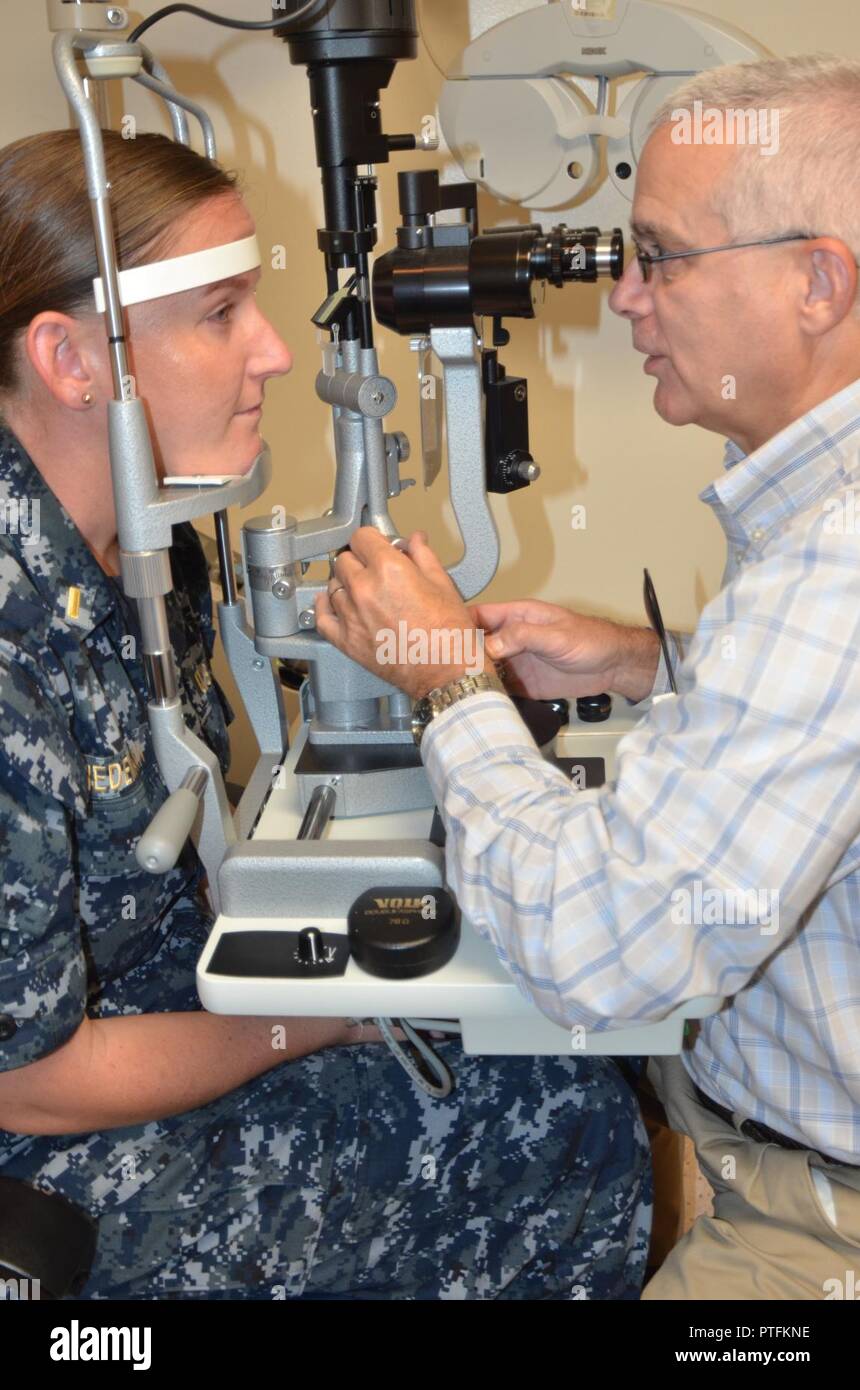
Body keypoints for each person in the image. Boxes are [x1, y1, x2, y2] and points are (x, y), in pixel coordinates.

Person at [0, 128, 651, 1300]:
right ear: (71, 358)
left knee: (553, 1059)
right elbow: (28, 1080)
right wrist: (318, 1020)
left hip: (169, 1017)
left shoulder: (156, 550)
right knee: (561, 1126)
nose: (272, 355)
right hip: (50, 1161)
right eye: (219, 313)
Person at [317, 54, 860, 1299]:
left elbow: (603, 951)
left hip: (813, 1229)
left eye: (658, 257)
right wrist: (643, 663)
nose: (623, 300)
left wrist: (448, 682)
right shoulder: (814, 523)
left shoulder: (830, 572)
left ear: (816, 281)